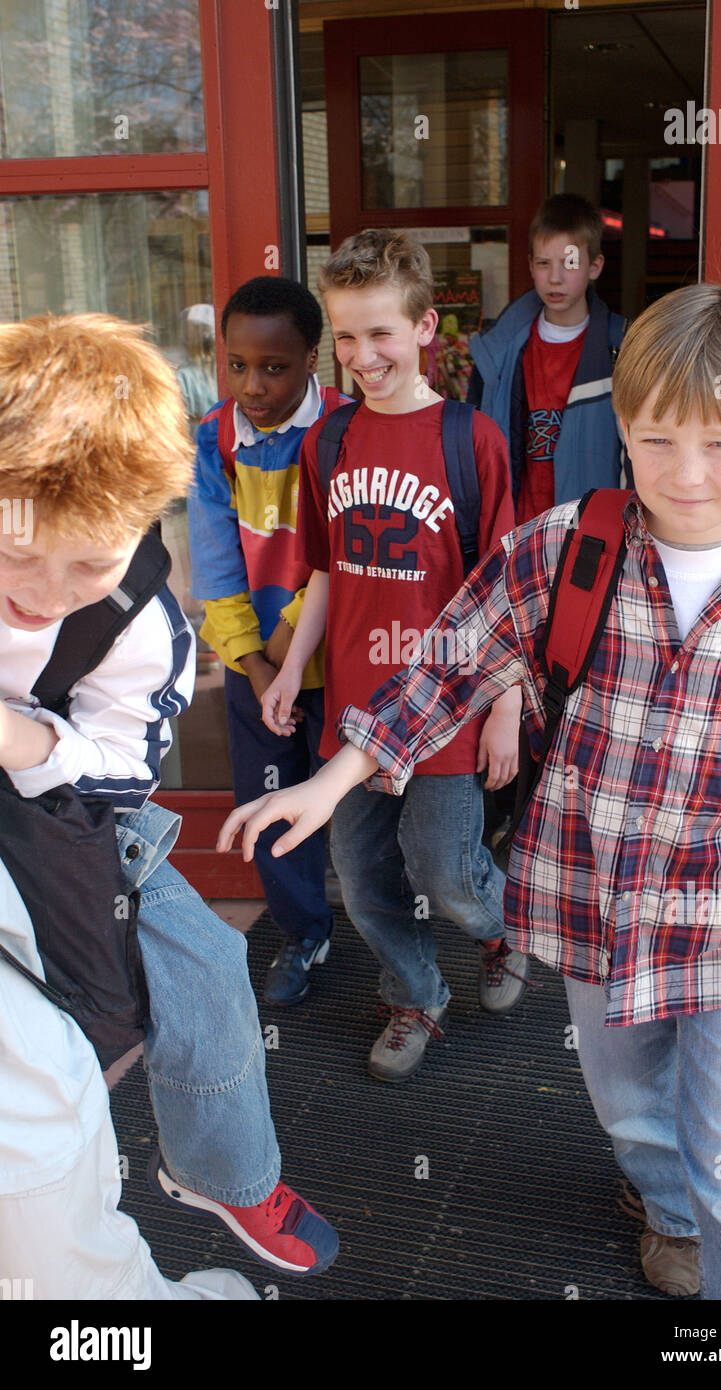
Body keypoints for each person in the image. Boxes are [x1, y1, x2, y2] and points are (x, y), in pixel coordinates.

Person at [219, 281, 721, 1300]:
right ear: (624, 430)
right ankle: (665, 1205)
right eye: (659, 439)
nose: (687, 473)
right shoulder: (566, 549)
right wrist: (331, 782)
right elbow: (445, 671)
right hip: (595, 897)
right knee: (629, 1103)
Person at [0, 312, 338, 1297]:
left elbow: (123, 773)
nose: (46, 592)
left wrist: (22, 741)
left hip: (70, 813)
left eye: (89, 563)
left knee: (208, 967)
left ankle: (225, 1174)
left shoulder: (139, 623)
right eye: (18, 551)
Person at [258, 229, 530, 1082]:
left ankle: (502, 929)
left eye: (380, 332)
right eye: (345, 336)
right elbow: (326, 571)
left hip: (447, 706)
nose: (362, 355)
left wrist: (508, 706)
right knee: (362, 876)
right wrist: (290, 669)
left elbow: (507, 593)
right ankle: (415, 994)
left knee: (448, 875)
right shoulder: (328, 439)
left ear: (424, 328)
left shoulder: (471, 439)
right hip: (352, 705)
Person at [188, 276, 345, 1006]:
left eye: (275, 367)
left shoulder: (345, 430)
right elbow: (216, 566)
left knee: (362, 812)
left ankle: (397, 941)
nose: (253, 385)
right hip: (254, 664)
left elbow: (341, 558)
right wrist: (253, 664)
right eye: (238, 366)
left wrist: (284, 649)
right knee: (269, 799)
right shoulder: (215, 438)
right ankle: (304, 932)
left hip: (338, 660)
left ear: (313, 359)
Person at [467, 193, 629, 524]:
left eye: (569, 263)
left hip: (590, 532)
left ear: (594, 266)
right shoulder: (496, 351)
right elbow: (473, 451)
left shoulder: (621, 348)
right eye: (543, 263)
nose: (555, 277)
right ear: (530, 265)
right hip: (518, 530)